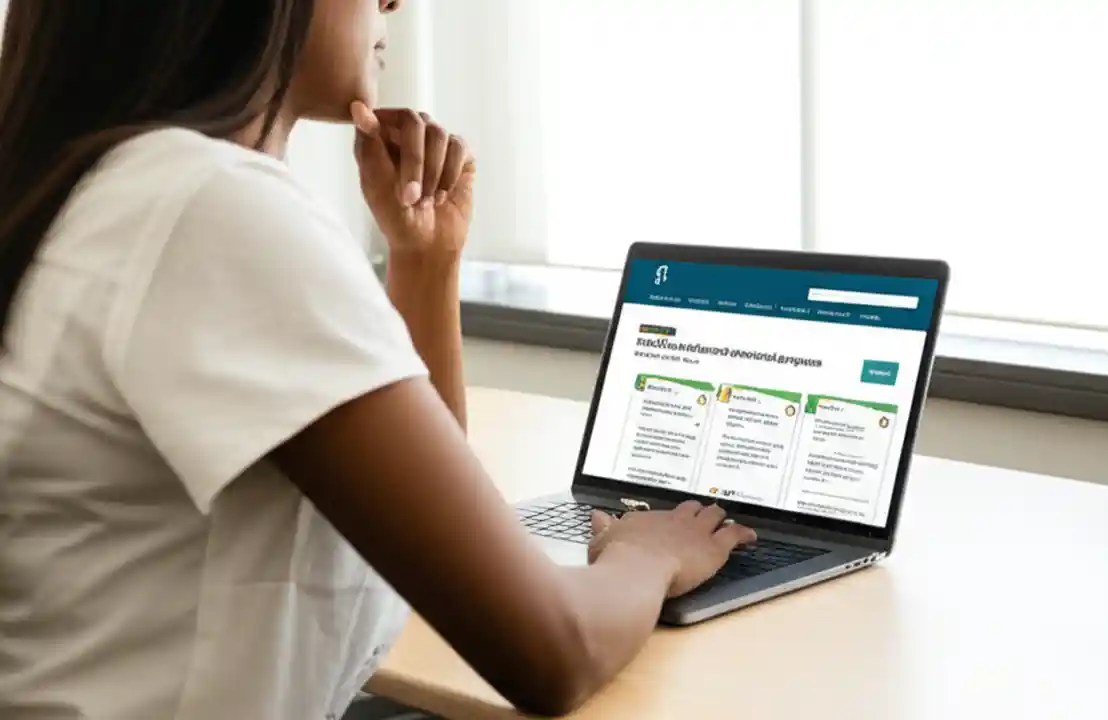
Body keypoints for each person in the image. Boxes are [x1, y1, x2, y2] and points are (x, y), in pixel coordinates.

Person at [0, 2, 756, 719]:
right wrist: (648, 556)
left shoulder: (107, 187)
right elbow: (554, 650)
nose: (393, 3)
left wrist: (424, 264)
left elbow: (434, 544)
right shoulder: (211, 210)